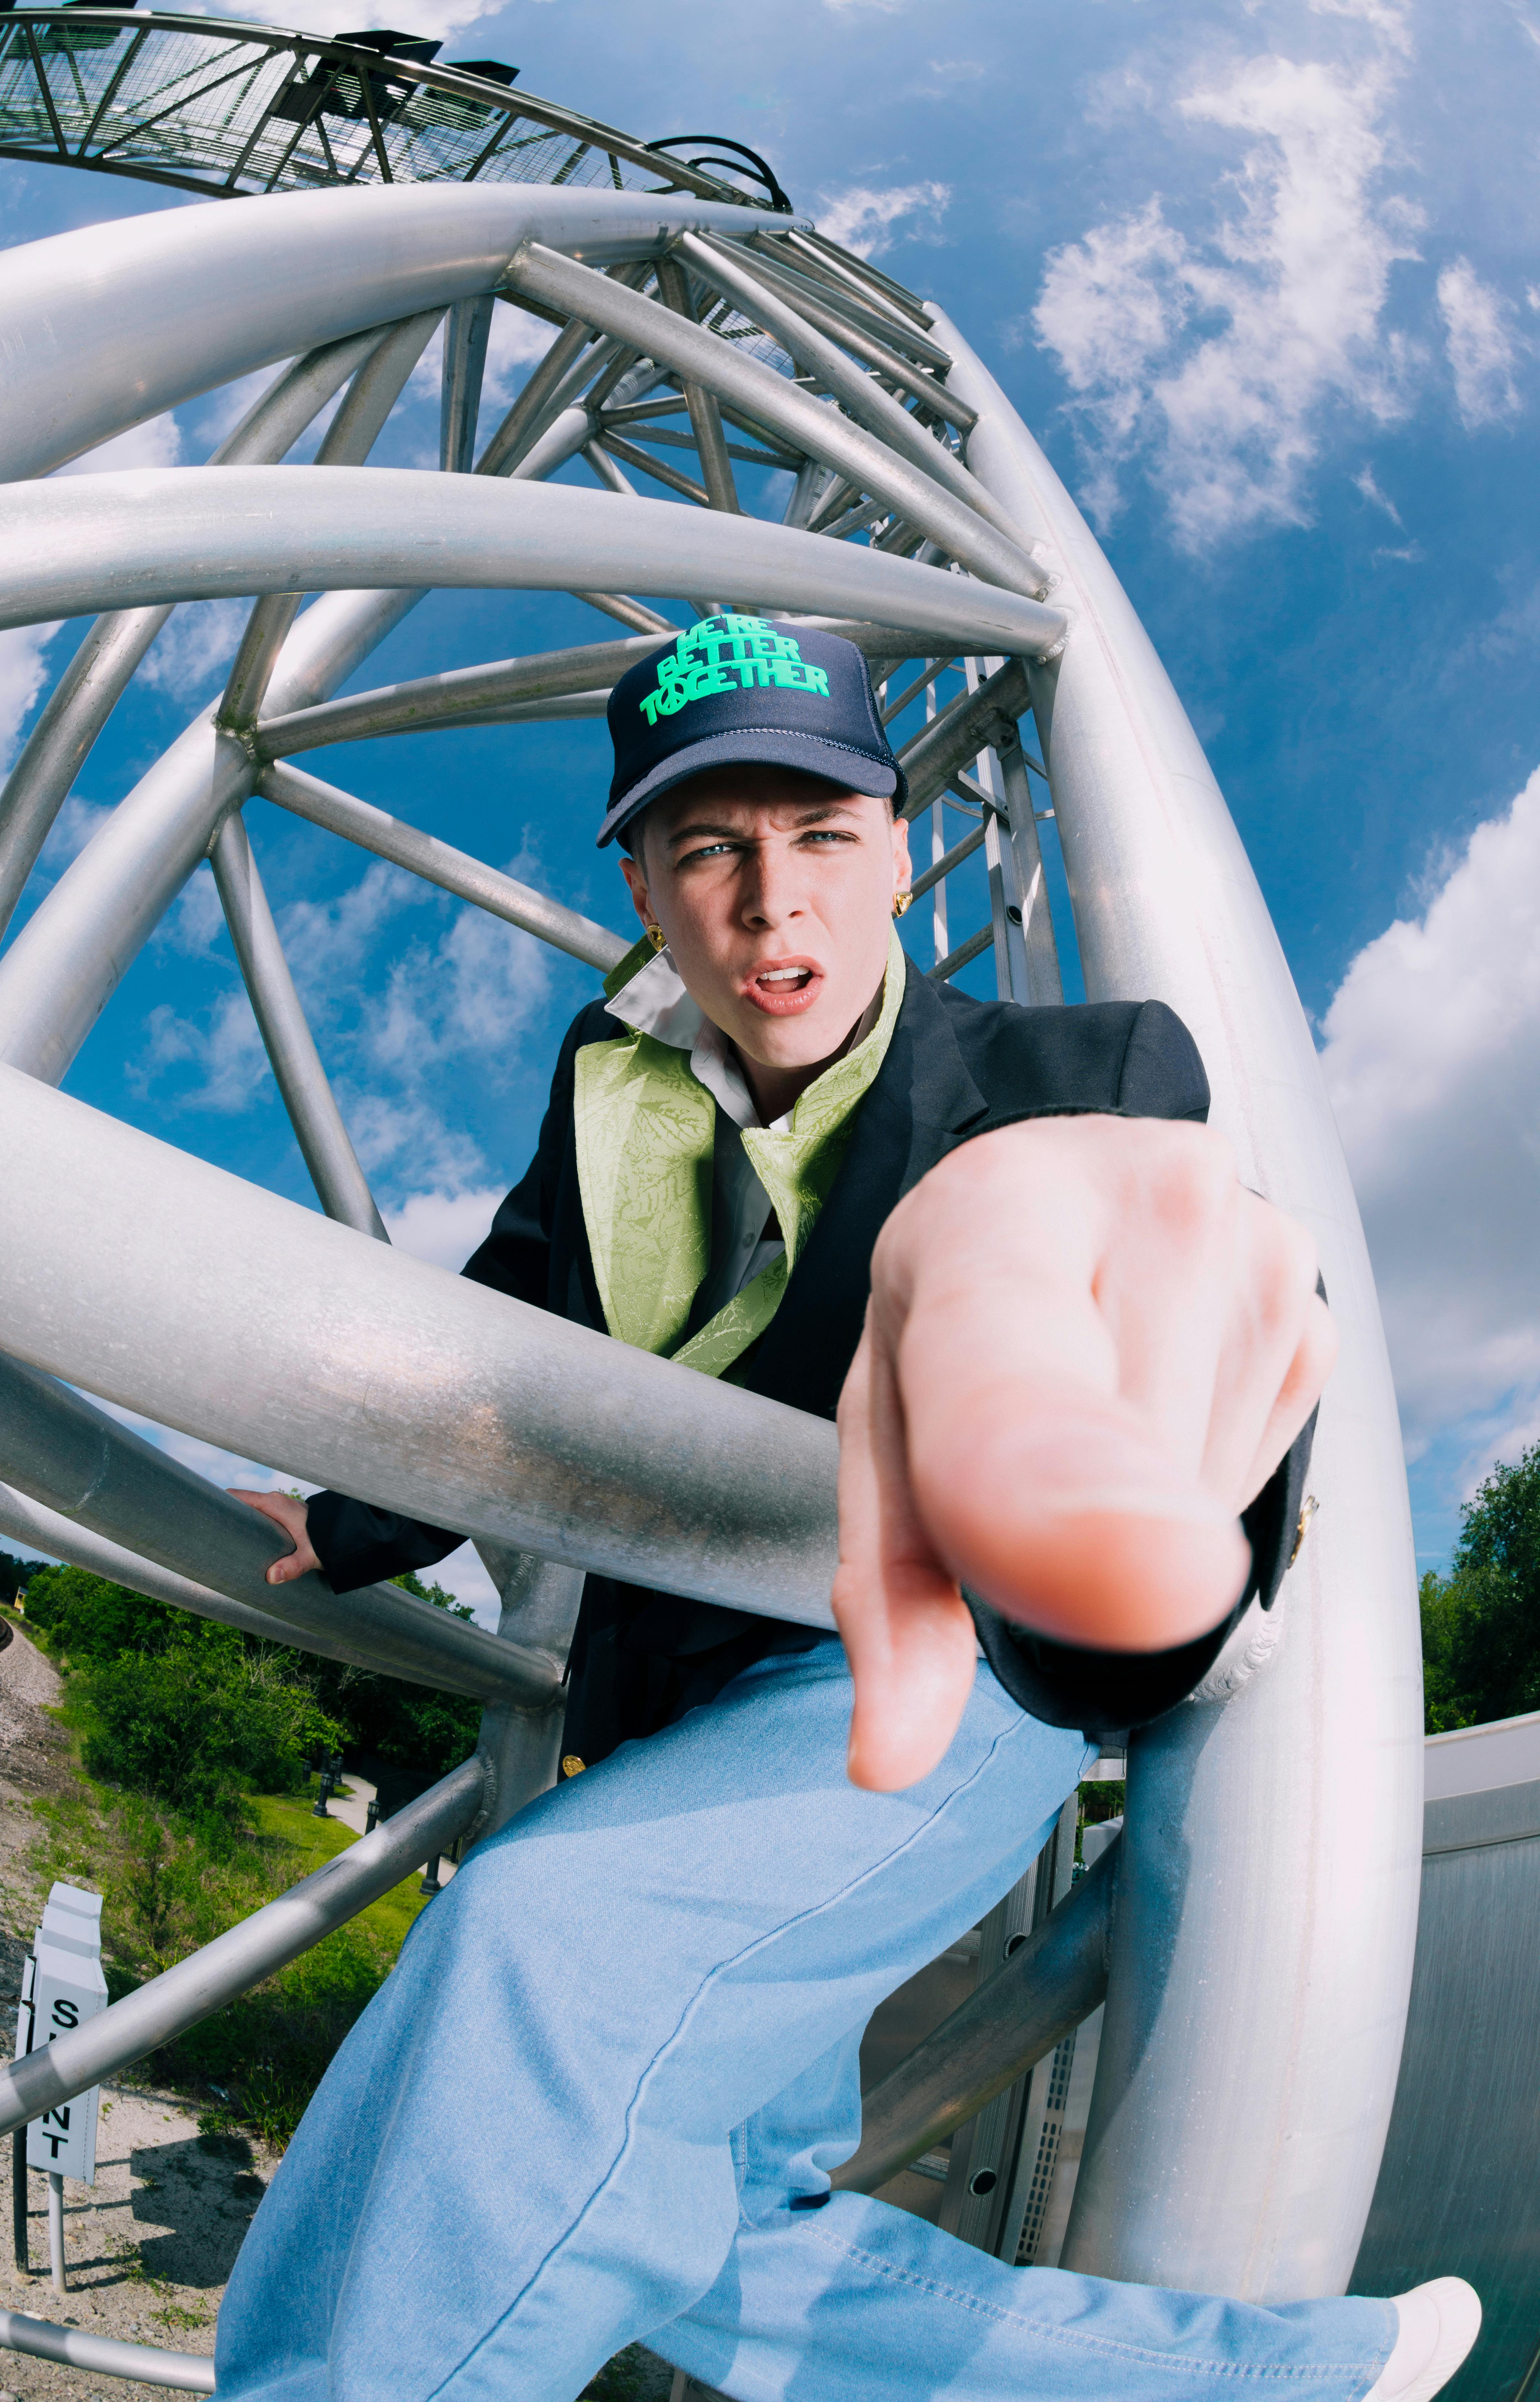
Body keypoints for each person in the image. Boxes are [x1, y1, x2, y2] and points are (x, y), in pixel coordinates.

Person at [220, 618, 1477, 2402]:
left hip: (929, 1677)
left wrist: (1077, 1343)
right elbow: (501, 1359)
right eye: (709, 850)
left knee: (533, 1960)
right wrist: (344, 1529)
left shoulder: (1083, 1079)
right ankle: (1283, 2383)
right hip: (680, 1711)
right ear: (646, 885)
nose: (771, 905)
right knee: (722, 2220)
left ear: (897, 846)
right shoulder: (607, 1106)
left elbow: (1131, 1250)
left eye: (817, 835)